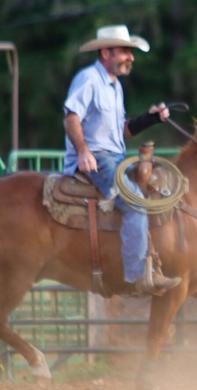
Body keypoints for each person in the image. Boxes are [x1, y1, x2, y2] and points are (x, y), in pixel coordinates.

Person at [63, 24, 181, 295]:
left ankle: (156, 262)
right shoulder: (89, 79)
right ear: (106, 53)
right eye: (126, 52)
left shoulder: (115, 86)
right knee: (135, 204)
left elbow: (122, 131)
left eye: (130, 52)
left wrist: (149, 119)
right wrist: (83, 151)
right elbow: (71, 118)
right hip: (99, 159)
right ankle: (138, 275)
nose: (131, 57)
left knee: (157, 188)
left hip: (115, 156)